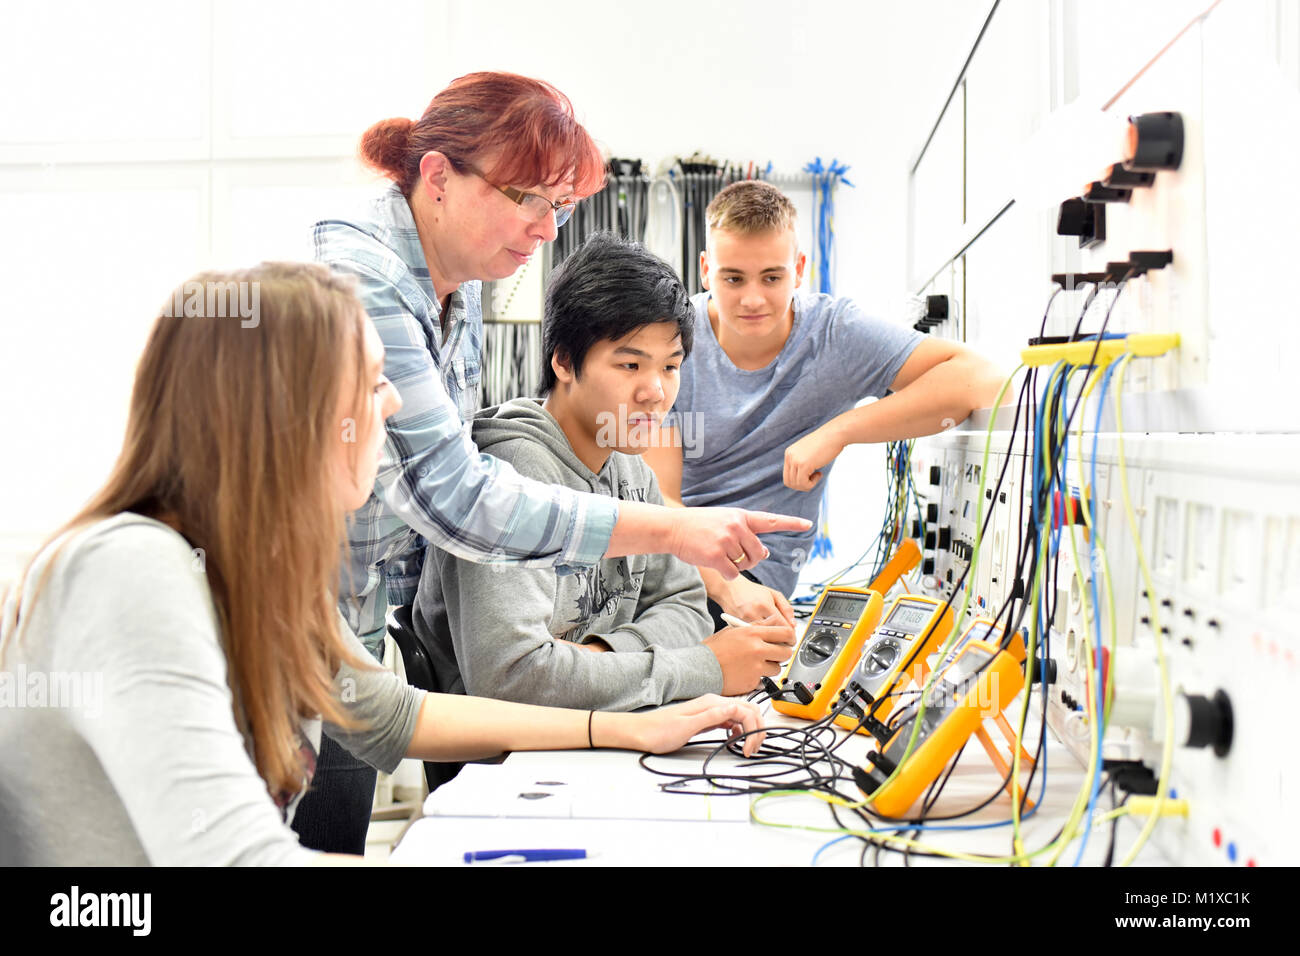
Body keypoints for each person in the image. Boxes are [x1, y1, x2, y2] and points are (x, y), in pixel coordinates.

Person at [0, 263, 765, 866]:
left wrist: (623, 730)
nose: (394, 404)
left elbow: (399, 715)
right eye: (370, 382)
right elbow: (238, 860)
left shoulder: (265, 579)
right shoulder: (136, 569)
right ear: (286, 411)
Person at [300, 73, 805, 851]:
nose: (544, 230)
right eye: (526, 199)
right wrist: (682, 583)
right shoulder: (363, 280)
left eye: (559, 208)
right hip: (298, 635)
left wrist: (617, 662)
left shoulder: (458, 284)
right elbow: (458, 498)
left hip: (357, 648)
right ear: (436, 176)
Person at [413, 234, 796, 712]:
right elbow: (512, 680)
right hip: (512, 765)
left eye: (671, 367)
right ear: (564, 361)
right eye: (630, 364)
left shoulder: (630, 464)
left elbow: (688, 607)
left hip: (612, 729)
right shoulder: (511, 474)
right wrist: (704, 668)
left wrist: (597, 658)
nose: (655, 392)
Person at [645, 181, 1006, 628]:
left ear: (799, 269)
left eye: (772, 277)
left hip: (754, 579)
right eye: (733, 278)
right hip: (677, 561)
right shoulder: (672, 343)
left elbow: (982, 377)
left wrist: (841, 430)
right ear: (705, 270)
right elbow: (659, 500)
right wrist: (724, 584)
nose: (752, 298)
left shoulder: (835, 334)